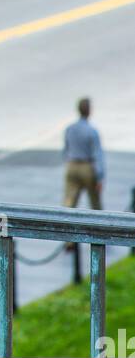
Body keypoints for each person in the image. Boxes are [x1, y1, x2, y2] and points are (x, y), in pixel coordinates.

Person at [62, 99, 104, 249]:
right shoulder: (92, 131)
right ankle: (100, 234)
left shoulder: (70, 128)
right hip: (87, 166)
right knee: (95, 203)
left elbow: (65, 149)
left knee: (69, 203)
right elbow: (98, 154)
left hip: (72, 165)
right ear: (89, 111)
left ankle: (68, 240)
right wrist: (100, 176)